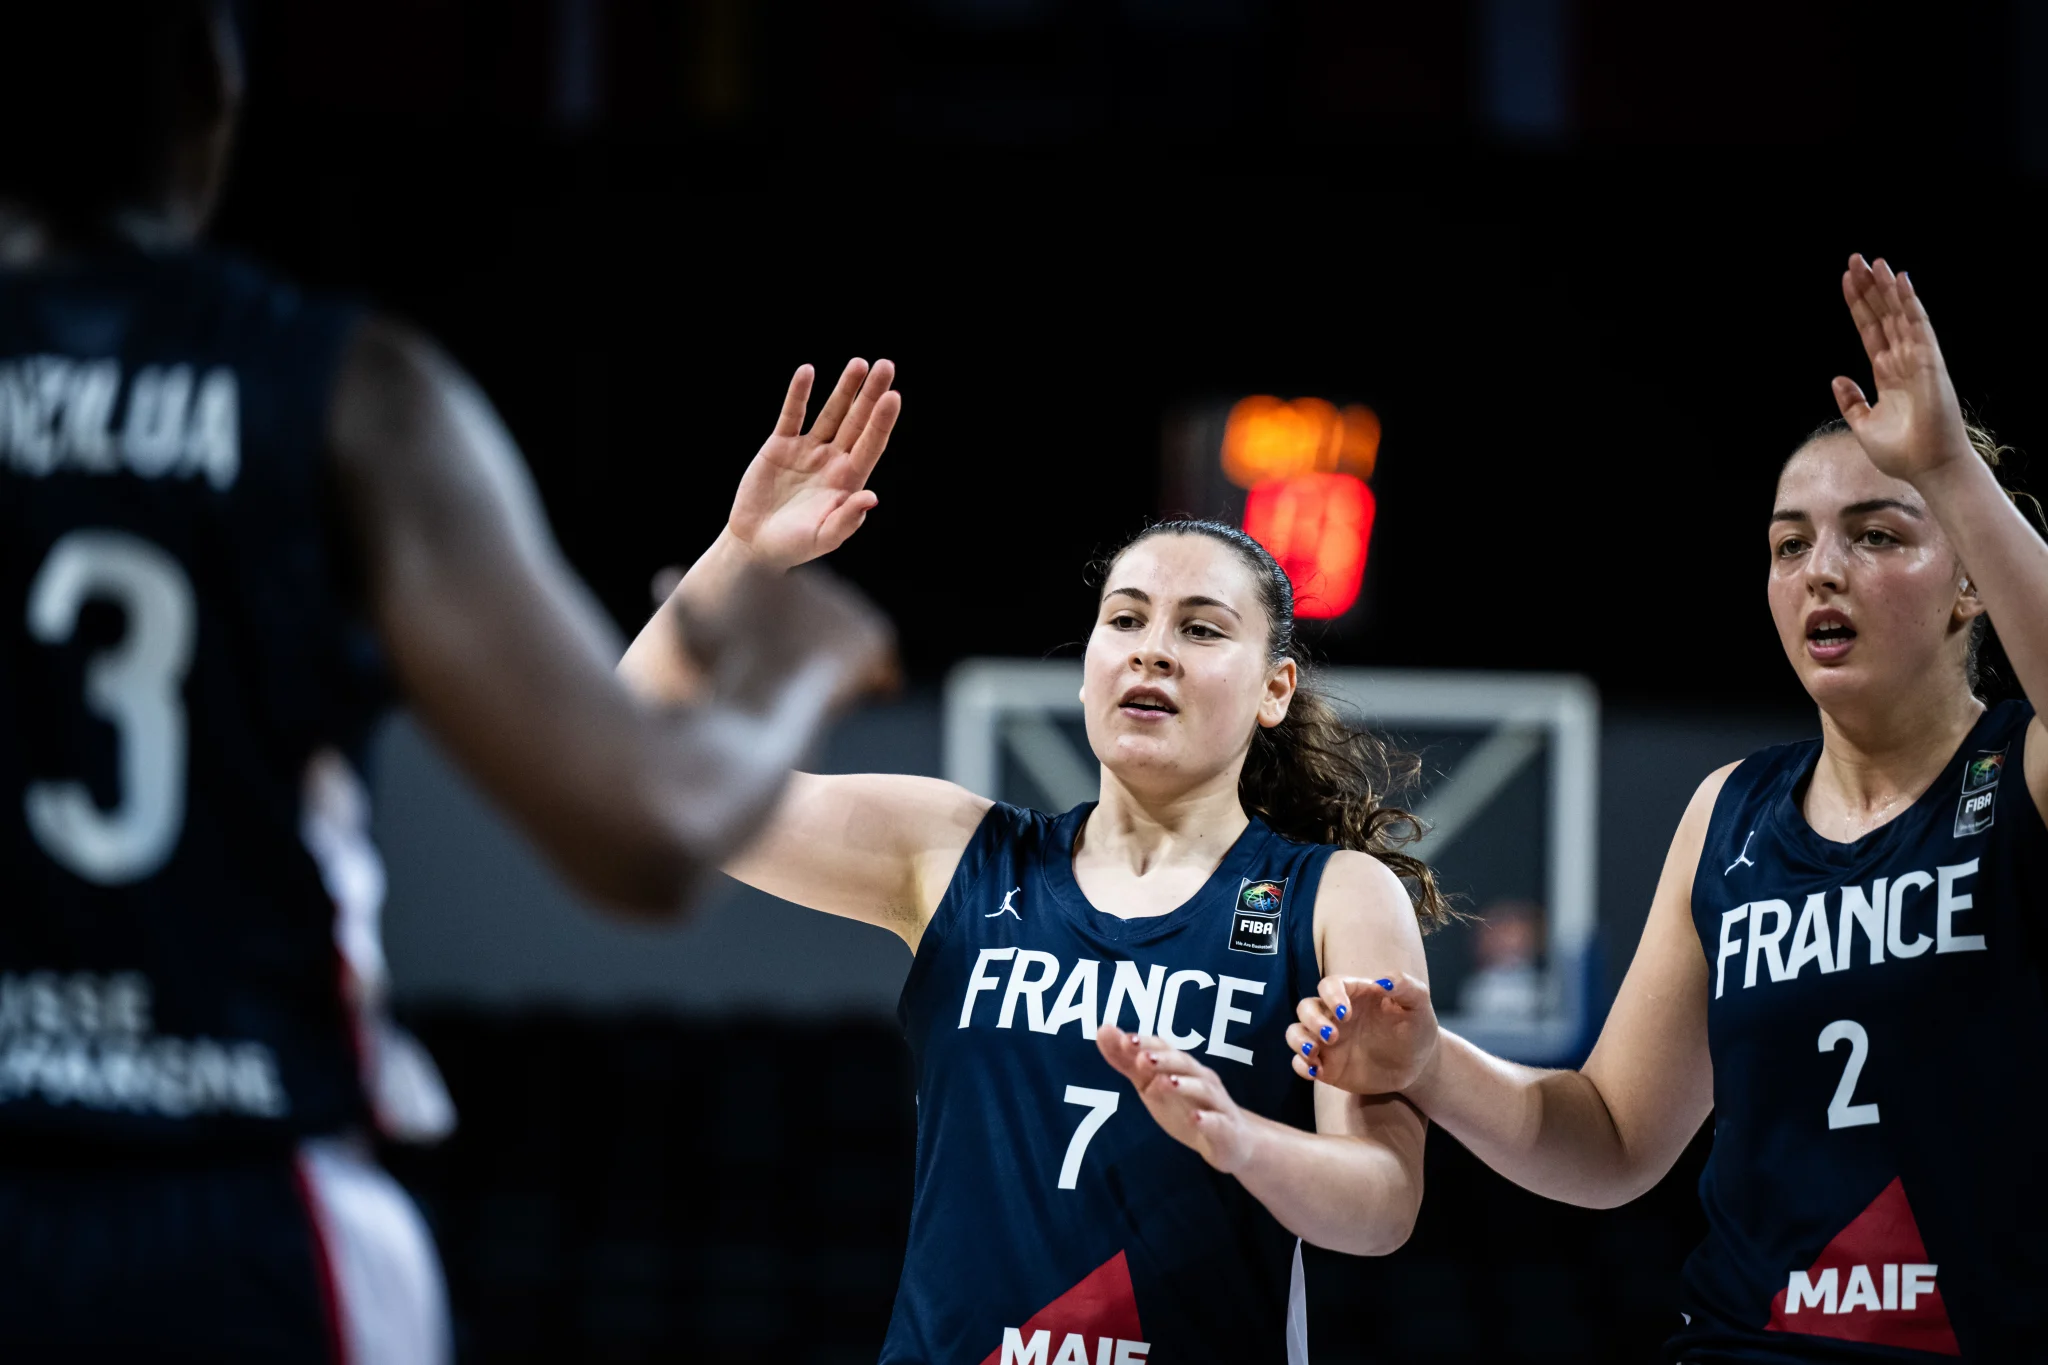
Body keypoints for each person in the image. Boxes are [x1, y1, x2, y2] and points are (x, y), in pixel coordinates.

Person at [0, 4, 892, 1360]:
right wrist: (798, 660)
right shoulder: (349, 390)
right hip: (241, 1209)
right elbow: (648, 827)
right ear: (211, 86)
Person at [1291, 255, 2048, 1361]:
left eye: (1876, 534)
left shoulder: (2020, 770)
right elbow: (1610, 1137)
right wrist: (1431, 1064)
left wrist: (1944, 465)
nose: (1820, 570)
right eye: (1789, 544)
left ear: (1968, 580)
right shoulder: (1730, 814)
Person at [622, 376, 1450, 1363]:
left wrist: (1240, 1140)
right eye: (1125, 619)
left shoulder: (1333, 896)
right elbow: (638, 768)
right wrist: (744, 554)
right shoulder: (954, 852)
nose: (1152, 652)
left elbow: (1383, 1206)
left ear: (1275, 689)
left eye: (1199, 628)